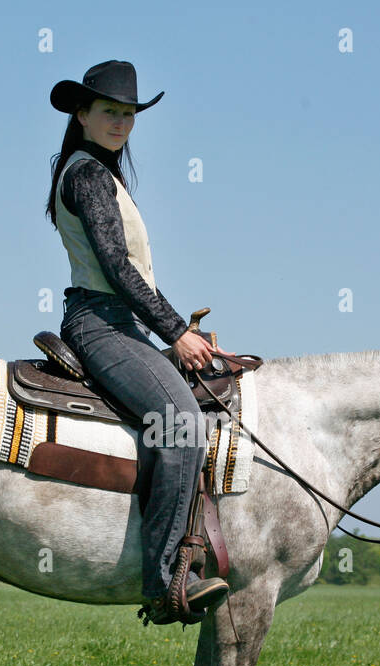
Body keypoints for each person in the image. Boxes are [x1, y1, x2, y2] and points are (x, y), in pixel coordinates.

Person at [47, 60, 230, 625]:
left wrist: (177, 332)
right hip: (99, 323)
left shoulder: (103, 174)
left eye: (129, 114)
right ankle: (164, 581)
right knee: (180, 423)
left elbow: (133, 277)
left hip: (121, 320)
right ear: (82, 114)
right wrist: (175, 330)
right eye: (110, 112)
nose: (121, 123)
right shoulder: (87, 176)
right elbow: (118, 269)